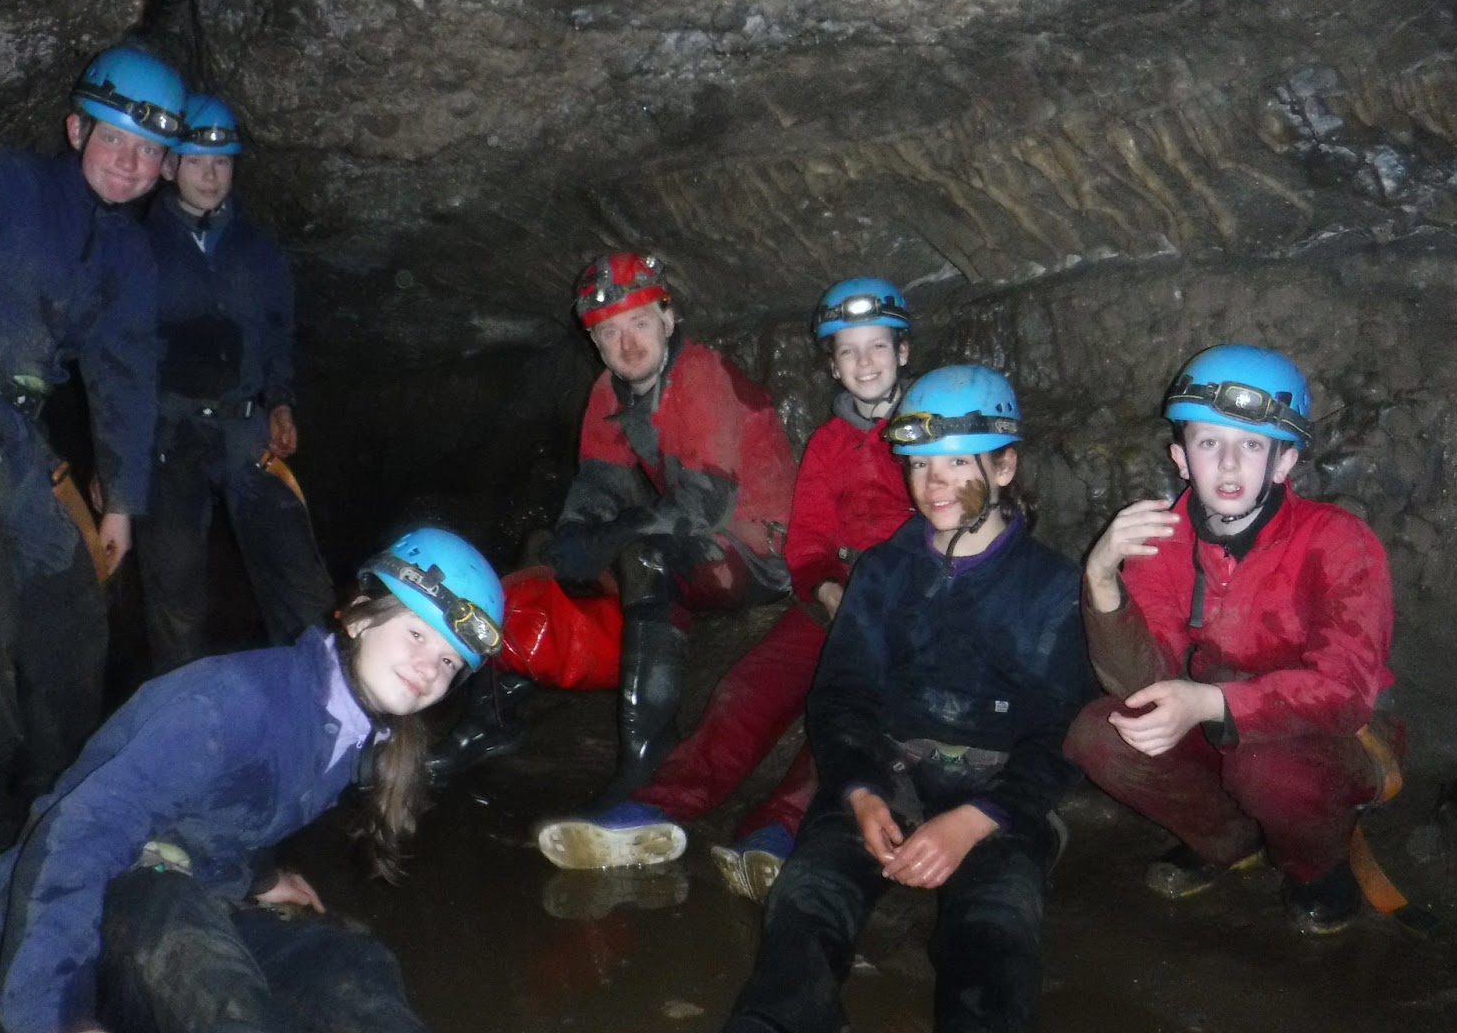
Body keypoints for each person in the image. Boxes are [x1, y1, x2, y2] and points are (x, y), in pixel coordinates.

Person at [0, 525, 505, 1033]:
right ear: (360, 617)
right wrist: (53, 1015)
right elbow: (77, 836)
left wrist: (261, 878)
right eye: (417, 633)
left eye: (449, 661)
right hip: (64, 911)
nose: (428, 668)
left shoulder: (351, 733)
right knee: (226, 998)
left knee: (352, 969)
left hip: (183, 888)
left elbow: (227, 813)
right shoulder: (238, 702)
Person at [0, 44, 183, 888]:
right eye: (114, 139)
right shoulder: (3, 185)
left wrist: (122, 500)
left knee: (71, 603)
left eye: (149, 152)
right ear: (76, 127)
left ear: (165, 166)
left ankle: (54, 814)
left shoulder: (128, 258)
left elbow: (127, 374)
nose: (129, 163)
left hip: (16, 427)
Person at [722, 365, 1094, 1033]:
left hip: (999, 791)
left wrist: (977, 819)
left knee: (996, 924)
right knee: (807, 897)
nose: (935, 485)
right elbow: (842, 695)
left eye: (957, 464)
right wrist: (860, 791)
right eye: (921, 465)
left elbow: (1061, 731)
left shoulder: (1053, 587)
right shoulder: (886, 569)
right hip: (890, 771)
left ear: (1006, 464)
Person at [536, 277, 917, 895]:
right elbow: (811, 539)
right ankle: (654, 808)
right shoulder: (827, 442)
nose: (863, 362)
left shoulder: (934, 430)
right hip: (834, 596)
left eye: (876, 347)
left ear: (902, 352)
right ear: (832, 363)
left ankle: (780, 829)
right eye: (848, 350)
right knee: (746, 690)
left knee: (848, 720)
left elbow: (960, 525)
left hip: (906, 611)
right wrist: (823, 589)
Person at [429, 251, 797, 812]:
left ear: (668, 319)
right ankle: (492, 721)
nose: (626, 346)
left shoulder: (702, 374)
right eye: (608, 334)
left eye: (639, 324)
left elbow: (703, 505)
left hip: (759, 549)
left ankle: (648, 761)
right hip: (697, 541)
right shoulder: (608, 391)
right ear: (595, 344)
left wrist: (609, 539)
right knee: (539, 551)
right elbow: (596, 492)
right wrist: (568, 542)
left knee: (645, 557)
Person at [1063, 344, 1396, 935]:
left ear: (1282, 463)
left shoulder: (1338, 541)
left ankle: (1315, 867)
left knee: (1266, 767)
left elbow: (1346, 694)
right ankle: (1227, 840)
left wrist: (1215, 703)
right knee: (1102, 733)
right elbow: (1139, 684)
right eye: (1209, 442)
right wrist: (1101, 577)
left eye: (1252, 445)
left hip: (1322, 743)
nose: (1229, 464)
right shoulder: (1161, 540)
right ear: (1181, 457)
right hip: (1214, 726)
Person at [134, 93, 335, 673]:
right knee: (174, 594)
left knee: (297, 573)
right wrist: (117, 455)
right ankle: (183, 716)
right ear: (170, 166)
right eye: (197, 160)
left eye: (221, 162)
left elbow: (278, 333)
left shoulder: (260, 250)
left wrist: (282, 402)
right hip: (168, 431)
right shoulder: (138, 248)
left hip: (245, 426)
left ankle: (321, 700)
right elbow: (118, 354)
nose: (210, 174)